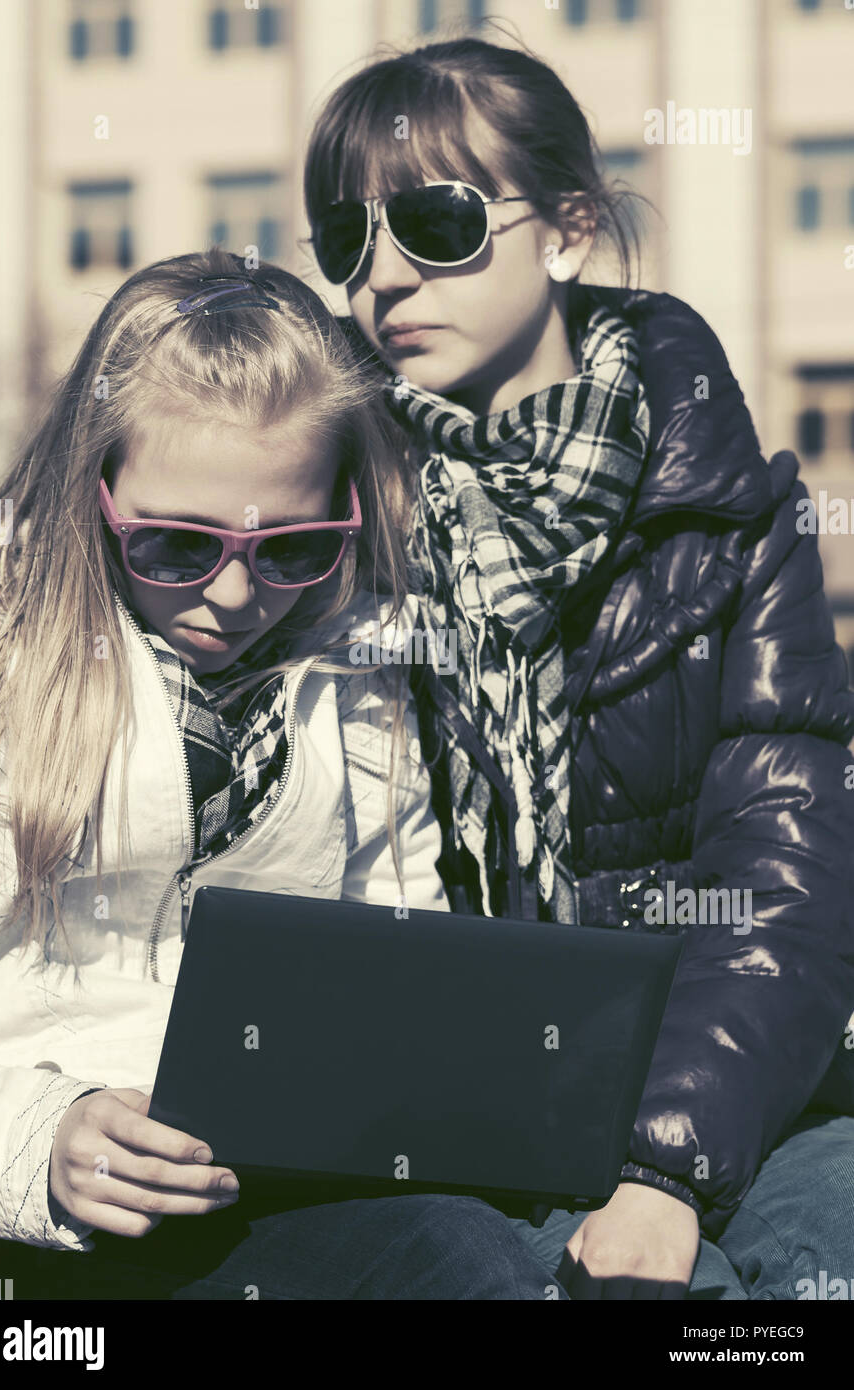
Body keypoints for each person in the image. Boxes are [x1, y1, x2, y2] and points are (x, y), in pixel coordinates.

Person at [302, 32, 854, 1300]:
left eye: (437, 223)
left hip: (725, 1077)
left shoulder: (720, 508)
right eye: (348, 239)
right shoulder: (325, 506)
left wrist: (664, 1173)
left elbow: (788, 866)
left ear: (565, 229)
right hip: (444, 1097)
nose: (382, 276)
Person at [0, 248, 564, 1300]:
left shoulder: (375, 681)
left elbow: (399, 970)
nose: (234, 596)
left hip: (273, 1203)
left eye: (292, 549)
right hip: (16, 1227)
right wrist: (36, 1141)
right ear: (88, 491)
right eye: (176, 545)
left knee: (469, 1259)